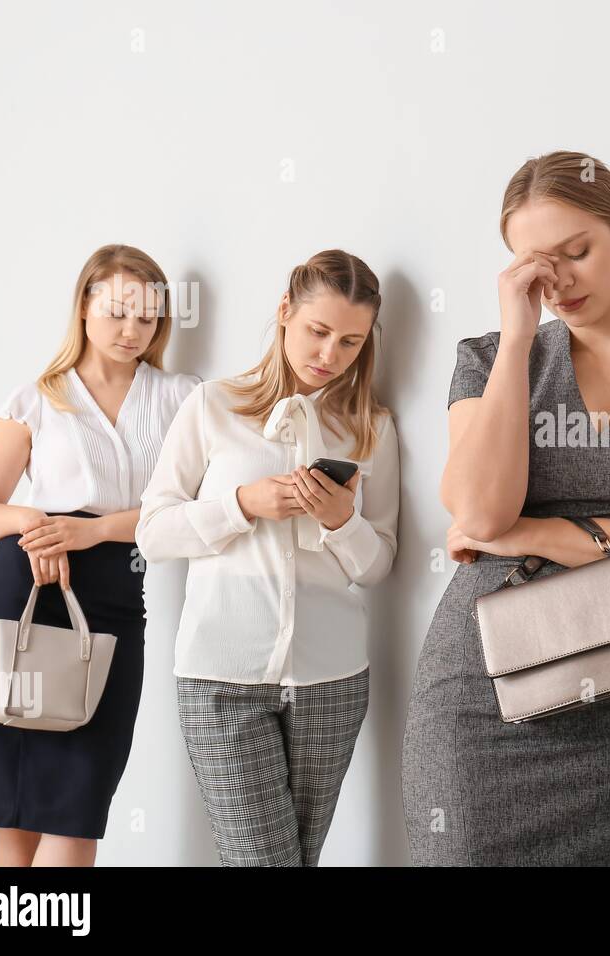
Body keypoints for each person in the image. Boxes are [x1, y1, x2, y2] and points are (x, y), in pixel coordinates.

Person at [401, 151, 610, 865]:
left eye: (575, 252)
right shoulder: (489, 358)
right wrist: (519, 340)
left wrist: (535, 533)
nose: (557, 282)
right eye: (534, 266)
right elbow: (483, 516)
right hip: (480, 697)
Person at [135, 249, 399, 866]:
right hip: (219, 676)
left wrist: (340, 520)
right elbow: (153, 532)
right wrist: (242, 504)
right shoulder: (212, 407)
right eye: (318, 331)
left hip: (331, 682)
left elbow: (378, 564)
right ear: (284, 313)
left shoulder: (371, 430)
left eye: (350, 342)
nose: (329, 355)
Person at [0, 244, 199, 866]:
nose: (131, 330)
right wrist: (35, 521)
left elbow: (187, 510)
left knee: (80, 789)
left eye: (148, 318)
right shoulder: (35, 399)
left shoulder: (182, 399)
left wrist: (93, 531)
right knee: (8, 781)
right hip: (21, 589)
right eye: (118, 311)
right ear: (84, 306)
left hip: (116, 592)